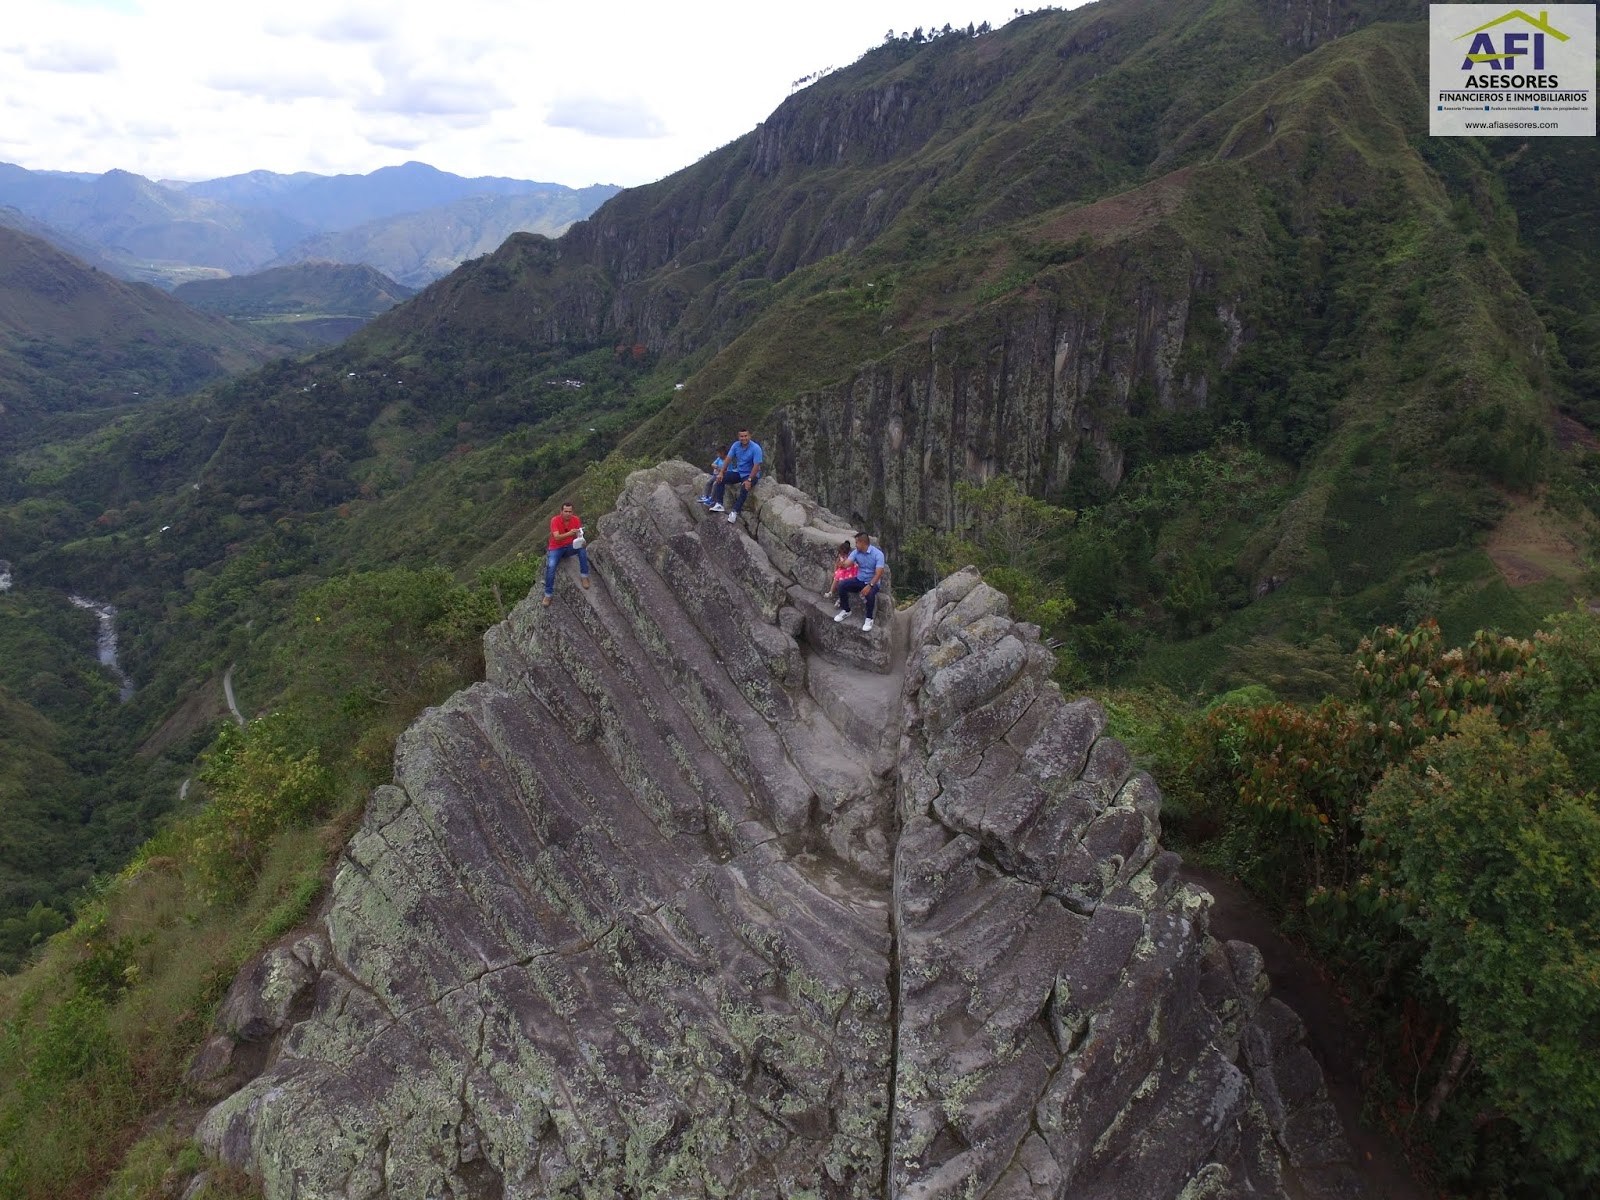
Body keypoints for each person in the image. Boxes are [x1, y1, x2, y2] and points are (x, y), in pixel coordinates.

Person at [833, 532, 886, 633]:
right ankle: (846, 610)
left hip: (872, 582)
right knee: (842, 585)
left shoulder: (878, 554)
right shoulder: (856, 552)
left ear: (863, 543)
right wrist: (842, 564)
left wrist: (870, 586)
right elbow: (847, 563)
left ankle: (869, 618)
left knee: (870, 594)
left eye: (857, 542)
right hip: (859, 579)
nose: (856, 545)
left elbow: (879, 573)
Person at [709, 428, 762, 523]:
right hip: (739, 472)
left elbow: (756, 466)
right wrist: (721, 473)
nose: (744, 438)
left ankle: (735, 512)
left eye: (746, 436)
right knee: (721, 479)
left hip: (750, 474)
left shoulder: (756, 448)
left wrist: (749, 480)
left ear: (749, 436)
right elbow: (728, 459)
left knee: (744, 488)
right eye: (742, 436)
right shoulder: (736, 445)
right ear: (739, 437)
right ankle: (719, 504)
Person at [543, 501, 590, 607]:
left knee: (582, 548)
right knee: (551, 566)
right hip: (556, 548)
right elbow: (557, 537)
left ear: (572, 512)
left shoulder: (576, 520)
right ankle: (548, 594)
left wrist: (581, 539)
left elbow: (578, 535)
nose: (568, 514)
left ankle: (584, 576)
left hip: (569, 546)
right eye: (566, 511)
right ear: (561, 511)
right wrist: (569, 533)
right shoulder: (555, 520)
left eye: (570, 511)